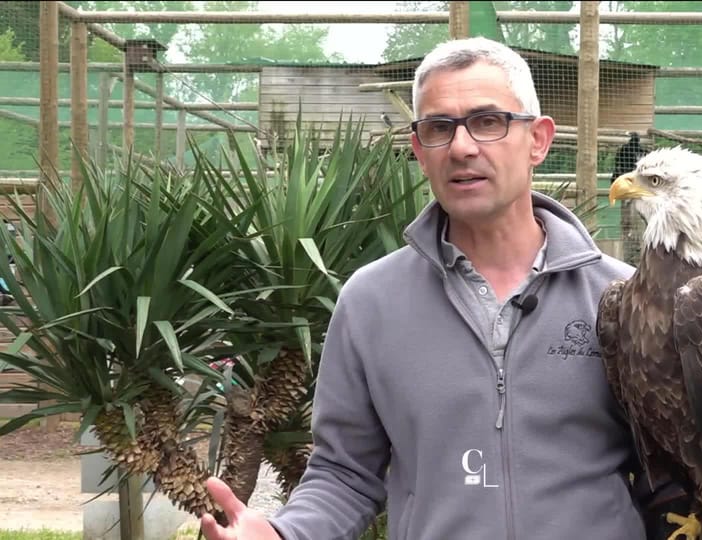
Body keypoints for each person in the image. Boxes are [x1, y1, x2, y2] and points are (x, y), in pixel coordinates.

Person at [201, 36, 662, 540]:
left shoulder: (626, 300)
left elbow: (672, 476)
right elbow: (343, 475)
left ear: (538, 139)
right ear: (420, 151)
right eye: (439, 128)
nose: (462, 147)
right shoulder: (371, 303)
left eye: (488, 121)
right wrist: (287, 534)